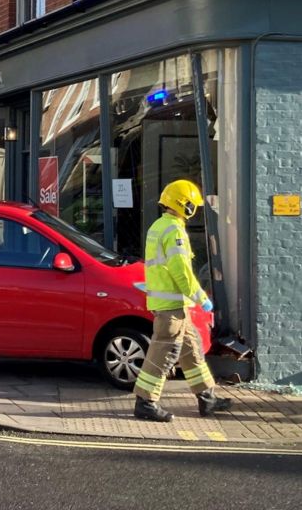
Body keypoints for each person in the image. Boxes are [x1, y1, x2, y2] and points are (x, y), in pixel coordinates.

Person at [133, 179, 232, 422]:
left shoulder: (159, 226)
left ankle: (207, 398)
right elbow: (181, 271)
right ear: (184, 205)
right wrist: (201, 297)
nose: (194, 210)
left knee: (191, 350)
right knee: (163, 353)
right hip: (170, 306)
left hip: (171, 304)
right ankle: (145, 402)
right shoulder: (174, 231)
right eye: (192, 205)